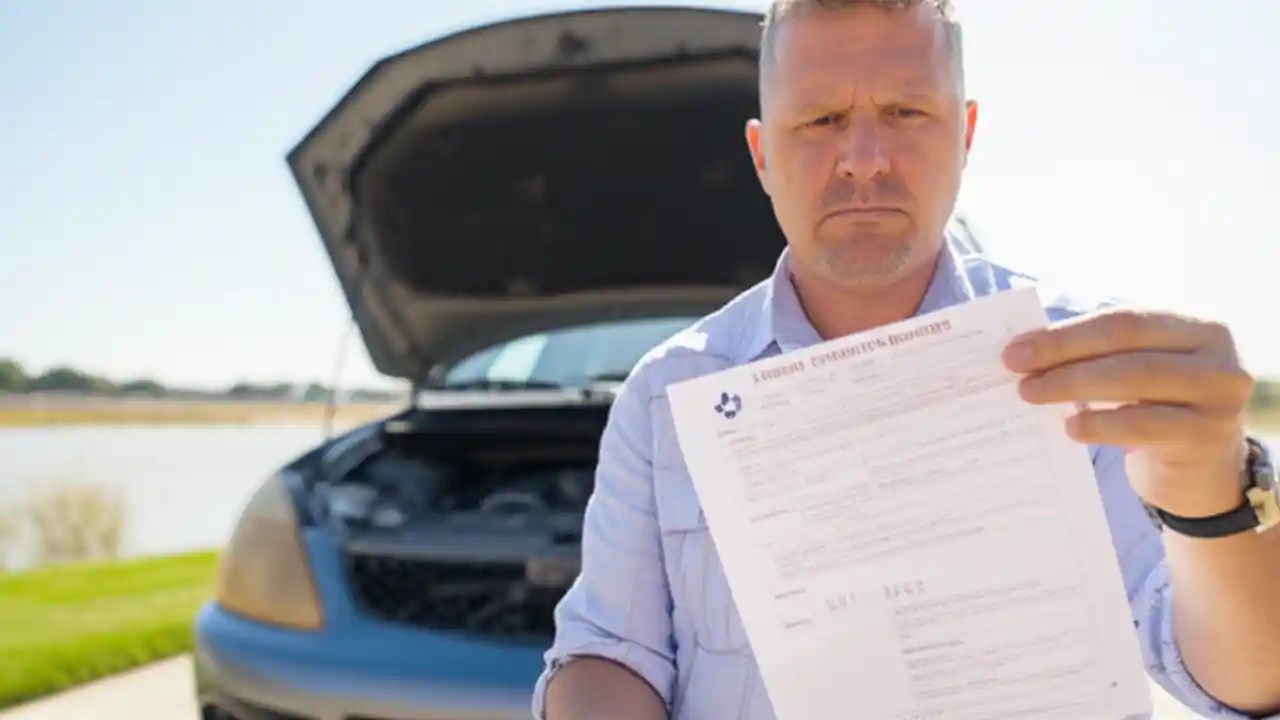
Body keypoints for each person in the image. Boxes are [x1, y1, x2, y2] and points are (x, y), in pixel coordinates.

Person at [533, 1, 1280, 718]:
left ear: (966, 134)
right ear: (763, 155)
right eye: (822, 119)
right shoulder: (668, 395)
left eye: (906, 113)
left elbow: (1238, 682)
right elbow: (612, 651)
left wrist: (1211, 494)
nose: (864, 161)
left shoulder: (1085, 369)